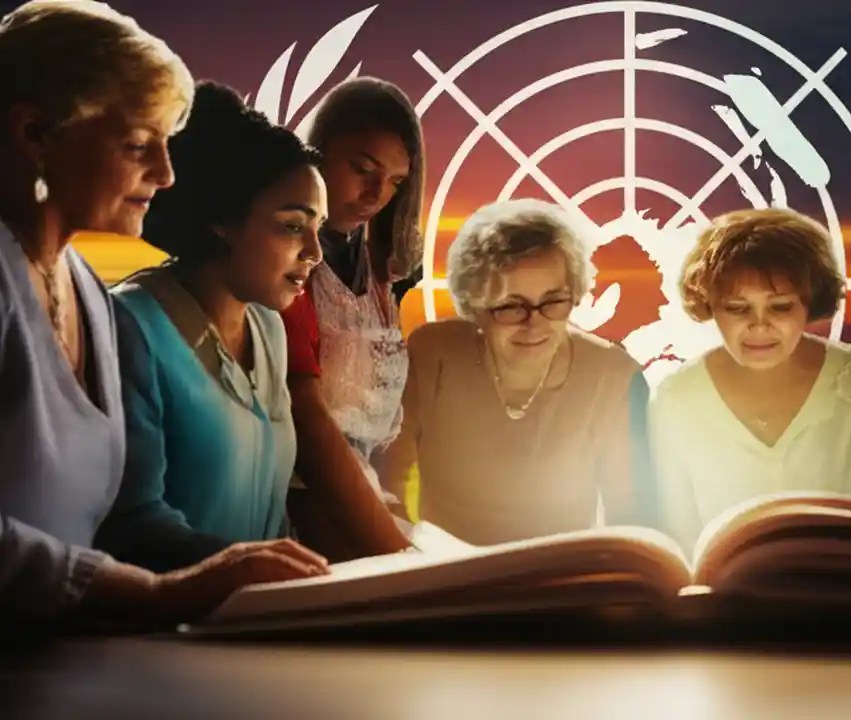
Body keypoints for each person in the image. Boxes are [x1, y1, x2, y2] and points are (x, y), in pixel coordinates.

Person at [0, 0, 325, 626]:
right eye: (137, 143)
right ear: (34, 133)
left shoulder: (86, 293)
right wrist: (154, 594)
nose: (167, 174)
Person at [93, 82, 326, 571]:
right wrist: (242, 568)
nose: (314, 253)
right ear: (223, 220)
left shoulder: (269, 327)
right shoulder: (130, 327)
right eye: (291, 226)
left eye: (317, 228)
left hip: (256, 625)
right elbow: (129, 522)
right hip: (162, 629)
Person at [379, 198, 656, 545]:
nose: (534, 323)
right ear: (475, 304)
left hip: (562, 583)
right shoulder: (432, 354)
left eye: (553, 301)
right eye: (511, 306)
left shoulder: (613, 377)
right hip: (443, 575)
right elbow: (386, 484)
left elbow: (632, 519)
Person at [650, 208, 851, 550]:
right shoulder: (676, 398)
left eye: (780, 307)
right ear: (709, 305)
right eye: (736, 308)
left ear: (809, 304)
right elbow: (678, 543)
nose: (759, 326)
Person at [280, 77, 426, 560]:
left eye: (396, 182)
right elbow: (306, 420)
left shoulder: (389, 271)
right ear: (317, 151)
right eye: (362, 169)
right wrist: (395, 552)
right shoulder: (284, 264)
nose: (375, 194)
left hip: (366, 504)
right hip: (300, 512)